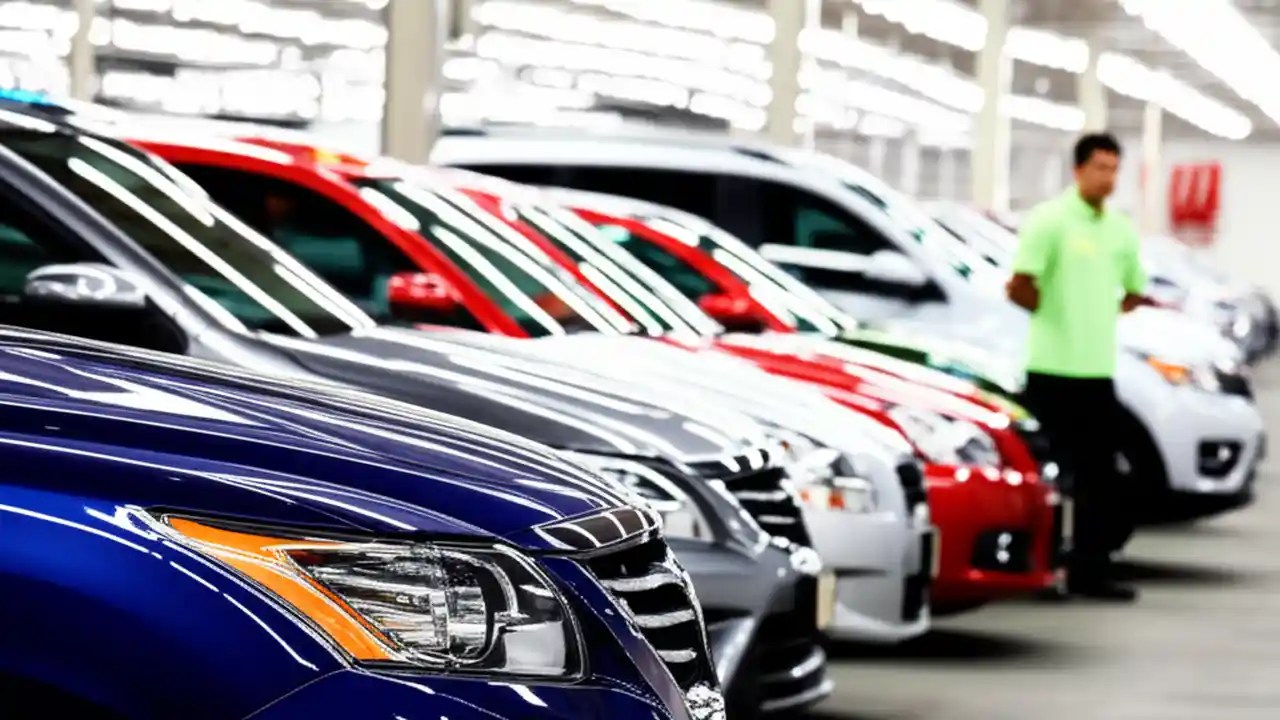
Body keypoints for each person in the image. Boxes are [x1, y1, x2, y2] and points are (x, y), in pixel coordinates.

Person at [1007, 133, 1153, 602]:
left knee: (1102, 478)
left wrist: (1098, 317)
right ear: (1078, 170)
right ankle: (1039, 570)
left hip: (1095, 374)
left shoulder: (1120, 231)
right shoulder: (1049, 221)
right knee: (1048, 474)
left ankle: (1089, 569)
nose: (1107, 178)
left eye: (1114, 169)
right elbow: (1019, 285)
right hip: (1050, 371)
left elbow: (1134, 289)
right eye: (1100, 168)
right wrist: (1057, 315)